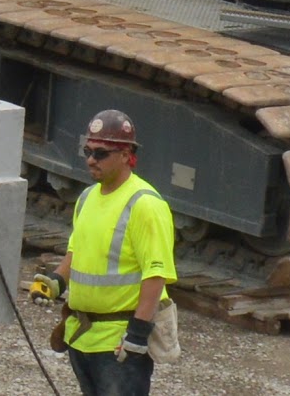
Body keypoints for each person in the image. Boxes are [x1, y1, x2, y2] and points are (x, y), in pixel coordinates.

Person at [30, 110, 176, 396]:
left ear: (126, 155)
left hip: (118, 342)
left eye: (100, 153)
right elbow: (77, 251)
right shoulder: (87, 198)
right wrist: (55, 281)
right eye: (88, 151)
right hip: (82, 336)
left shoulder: (145, 204)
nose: (90, 160)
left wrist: (137, 335)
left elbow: (156, 275)